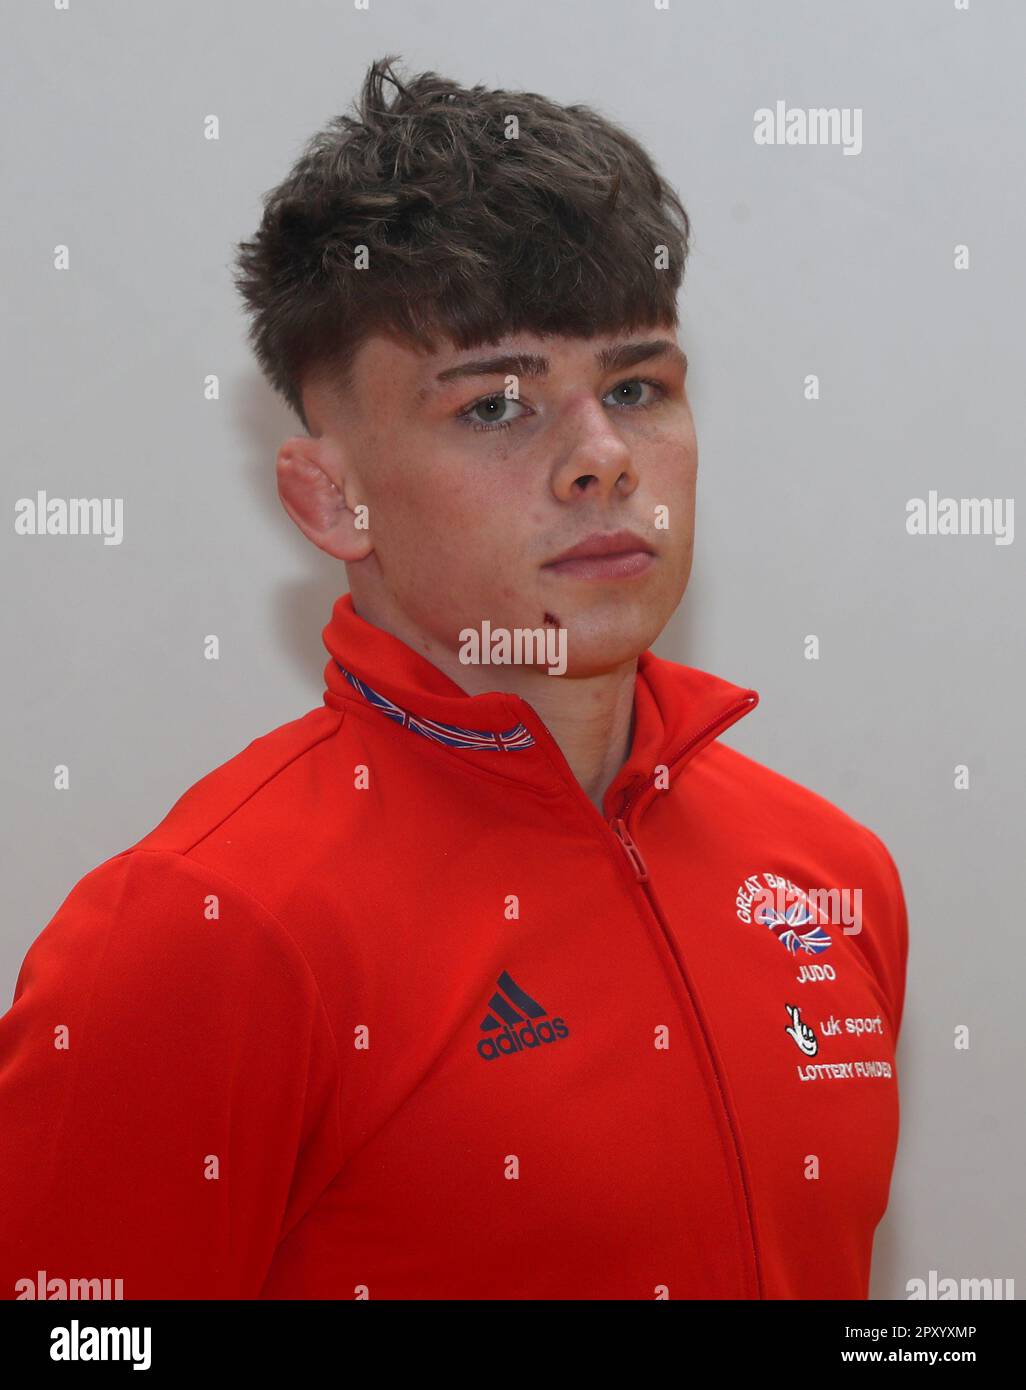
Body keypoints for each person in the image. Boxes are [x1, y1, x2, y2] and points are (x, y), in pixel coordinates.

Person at [0, 54, 907, 1301]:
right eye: (496, 407)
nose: (602, 459)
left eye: (638, 388)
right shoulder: (206, 933)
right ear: (333, 500)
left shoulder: (826, 876)